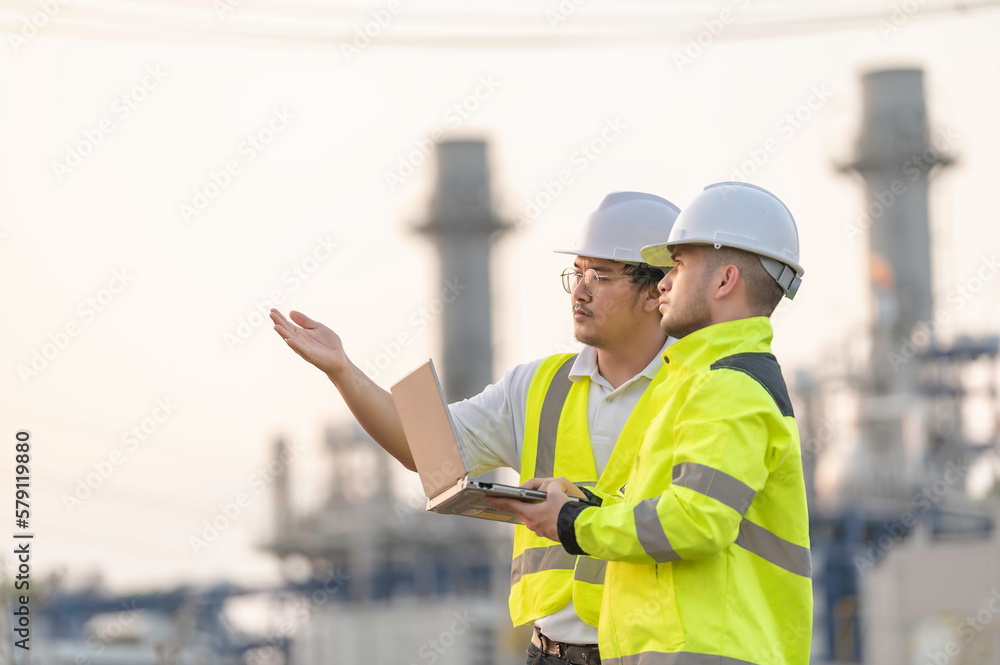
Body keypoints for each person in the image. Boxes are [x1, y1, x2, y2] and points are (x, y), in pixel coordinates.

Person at [269, 191, 681, 665]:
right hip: (551, 654)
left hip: (656, 653)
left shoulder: (701, 391)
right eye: (578, 273)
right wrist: (343, 370)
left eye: (600, 276)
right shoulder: (537, 387)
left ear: (657, 289)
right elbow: (426, 450)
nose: (580, 291)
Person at [492, 182, 813, 665]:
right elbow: (678, 508)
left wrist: (571, 521)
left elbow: (694, 521)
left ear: (725, 281)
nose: (663, 283)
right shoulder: (703, 382)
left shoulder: (729, 387)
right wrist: (589, 504)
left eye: (678, 266)